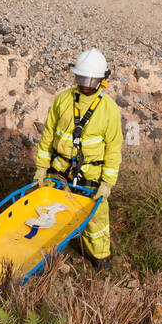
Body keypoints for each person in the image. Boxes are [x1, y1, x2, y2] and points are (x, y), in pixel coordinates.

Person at [33, 48, 122, 269]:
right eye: (82, 77)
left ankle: (100, 257)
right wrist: (41, 168)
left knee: (97, 219)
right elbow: (48, 136)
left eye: (91, 79)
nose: (85, 83)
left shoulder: (109, 109)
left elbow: (113, 149)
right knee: (50, 211)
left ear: (102, 80)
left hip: (91, 176)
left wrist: (107, 182)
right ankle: (45, 254)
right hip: (59, 170)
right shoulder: (63, 100)